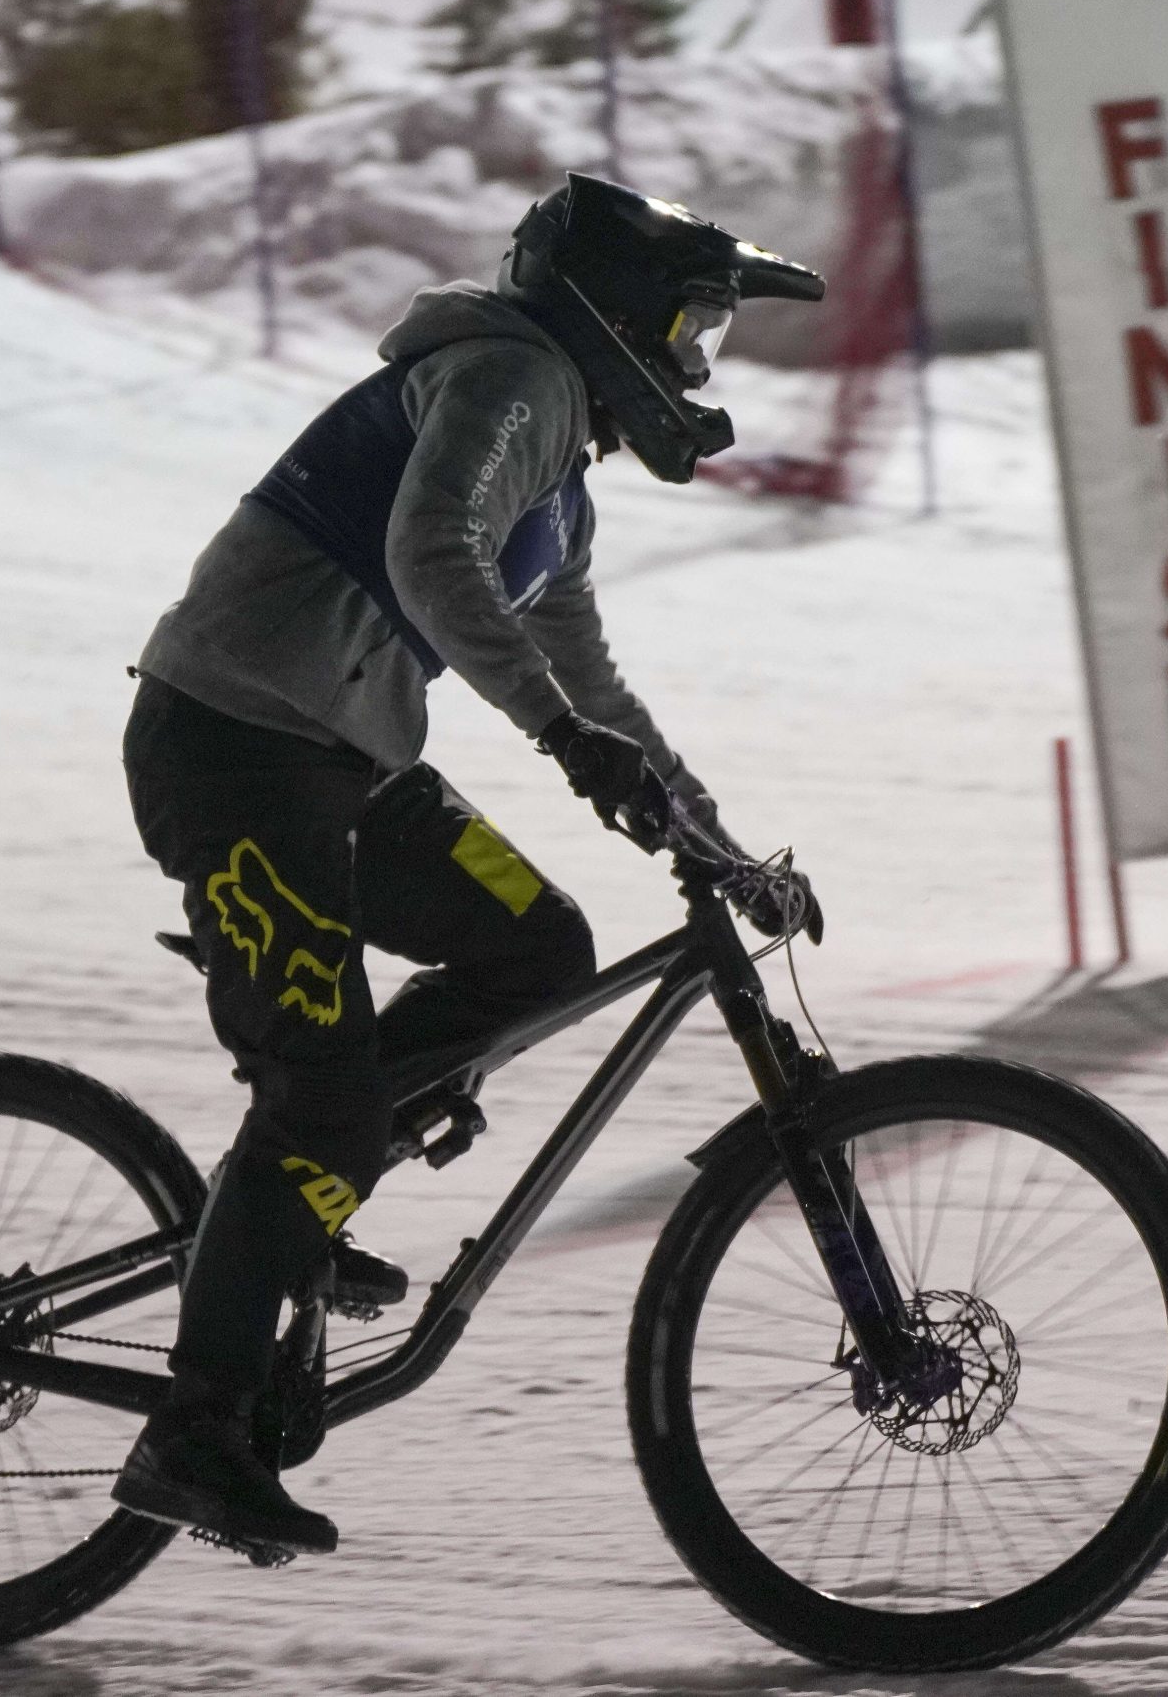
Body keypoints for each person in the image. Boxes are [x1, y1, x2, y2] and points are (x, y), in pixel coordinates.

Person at [110, 174, 826, 1555]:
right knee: (320, 1110)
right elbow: (431, 552)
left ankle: (302, 1195)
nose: (694, 365)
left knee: (533, 952)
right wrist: (557, 739)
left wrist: (719, 844)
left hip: (335, 760)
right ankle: (192, 1430)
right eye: (688, 331)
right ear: (614, 318)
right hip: (239, 750)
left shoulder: (560, 473)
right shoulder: (512, 376)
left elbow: (596, 687)